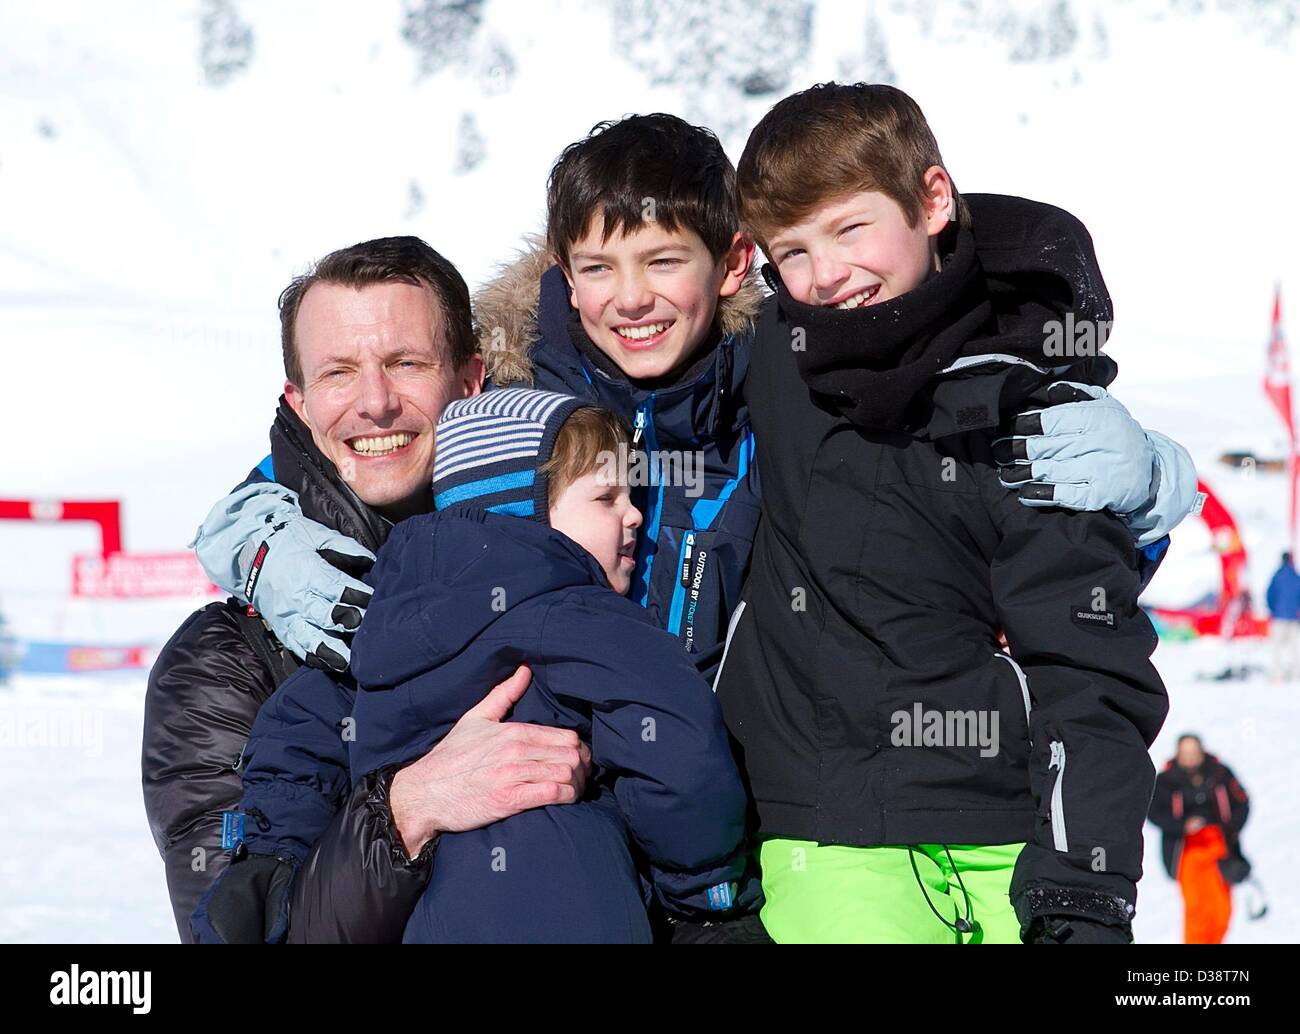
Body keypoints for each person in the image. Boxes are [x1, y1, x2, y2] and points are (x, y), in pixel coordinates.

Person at [186, 111, 1195, 943]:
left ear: (726, 266)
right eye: (599, 269)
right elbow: (350, 454)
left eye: (664, 260)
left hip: (741, 853)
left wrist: (1149, 477)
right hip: (546, 869)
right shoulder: (513, 403)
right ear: (563, 278)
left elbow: (946, 467)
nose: (631, 299)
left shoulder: (780, 391)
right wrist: (257, 527)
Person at [716, 82, 1180, 943]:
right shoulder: (769, 358)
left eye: (851, 229)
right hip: (829, 832)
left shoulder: (1033, 406)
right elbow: (625, 339)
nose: (826, 278)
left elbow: (1089, 668)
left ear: (932, 200)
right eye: (793, 252)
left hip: (1010, 828)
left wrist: (1081, 887)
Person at [141, 237, 594, 943]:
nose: (376, 404)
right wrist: (408, 807)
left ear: (471, 378)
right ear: (300, 401)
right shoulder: (223, 661)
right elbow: (243, 931)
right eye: (339, 373)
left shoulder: (569, 574)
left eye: (406, 364)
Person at [196, 390, 757, 943]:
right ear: (530, 512)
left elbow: (300, 725)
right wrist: (699, 881)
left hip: (424, 912)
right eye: (606, 498)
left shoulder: (383, 614)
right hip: (563, 896)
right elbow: (676, 734)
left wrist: (275, 854)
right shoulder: (581, 611)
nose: (635, 514)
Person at [1148, 734, 1251, 943]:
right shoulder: (1166, 779)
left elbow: (1242, 802)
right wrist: (1182, 826)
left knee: (1222, 908)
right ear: (1178, 753)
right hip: (1186, 850)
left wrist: (1230, 829)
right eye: (1186, 754)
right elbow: (1153, 812)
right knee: (1196, 908)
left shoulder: (1220, 773)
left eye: (1194, 753)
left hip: (1218, 847)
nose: (1191, 758)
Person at [1265, 551, 1300, 680]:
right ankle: (1296, 674)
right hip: (1293, 618)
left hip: (1278, 618)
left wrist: (1273, 610)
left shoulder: (1277, 576)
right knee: (1295, 649)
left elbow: (1269, 595)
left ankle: (1277, 675)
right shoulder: (1296, 577)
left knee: (1277, 648)